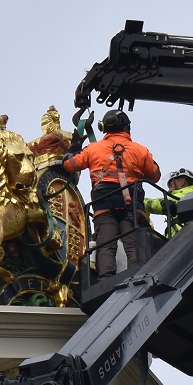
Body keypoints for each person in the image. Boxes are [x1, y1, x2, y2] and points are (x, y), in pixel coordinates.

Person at [63, 109, 160, 277]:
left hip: (104, 204)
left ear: (104, 128)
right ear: (127, 127)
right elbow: (155, 175)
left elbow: (68, 164)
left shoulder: (93, 149)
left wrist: (75, 144)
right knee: (133, 245)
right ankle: (138, 277)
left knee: (106, 245)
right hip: (131, 205)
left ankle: (105, 279)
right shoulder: (140, 150)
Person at [142, 167, 193, 238]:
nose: (169, 191)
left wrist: (140, 202)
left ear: (182, 182)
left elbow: (159, 204)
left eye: (171, 186)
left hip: (181, 238)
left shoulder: (187, 194)